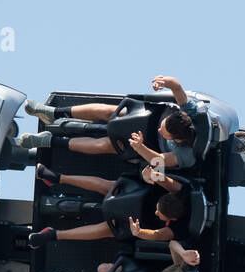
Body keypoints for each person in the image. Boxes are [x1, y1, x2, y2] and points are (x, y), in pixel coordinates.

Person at [20, 74, 204, 169]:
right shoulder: (190, 114)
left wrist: (140, 147)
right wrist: (163, 81)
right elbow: (177, 86)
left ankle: (49, 141)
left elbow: (159, 160)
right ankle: (53, 113)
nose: (160, 130)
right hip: (147, 117)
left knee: (105, 145)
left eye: (164, 132)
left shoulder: (187, 154)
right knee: (111, 112)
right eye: (163, 127)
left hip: (147, 146)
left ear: (177, 140)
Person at [28, 168, 194, 250]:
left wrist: (139, 232)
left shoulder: (179, 229)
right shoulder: (181, 191)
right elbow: (160, 173)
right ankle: (57, 178)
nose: (157, 212)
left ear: (172, 220)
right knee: (110, 186)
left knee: (107, 230)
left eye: (160, 214)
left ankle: (54, 234)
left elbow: (158, 235)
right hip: (140, 194)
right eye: (158, 209)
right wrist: (150, 172)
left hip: (139, 223)